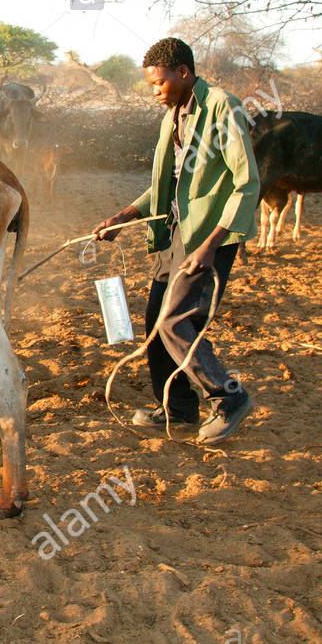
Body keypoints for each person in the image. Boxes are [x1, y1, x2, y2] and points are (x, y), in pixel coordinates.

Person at [93, 37, 259, 444]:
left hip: (209, 235)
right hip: (174, 232)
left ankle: (229, 397)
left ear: (184, 73)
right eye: (151, 85)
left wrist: (210, 245)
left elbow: (247, 183)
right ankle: (178, 411)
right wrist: (126, 215)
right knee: (154, 321)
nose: (155, 93)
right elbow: (169, 183)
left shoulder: (224, 107)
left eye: (160, 83)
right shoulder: (174, 116)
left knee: (176, 322)